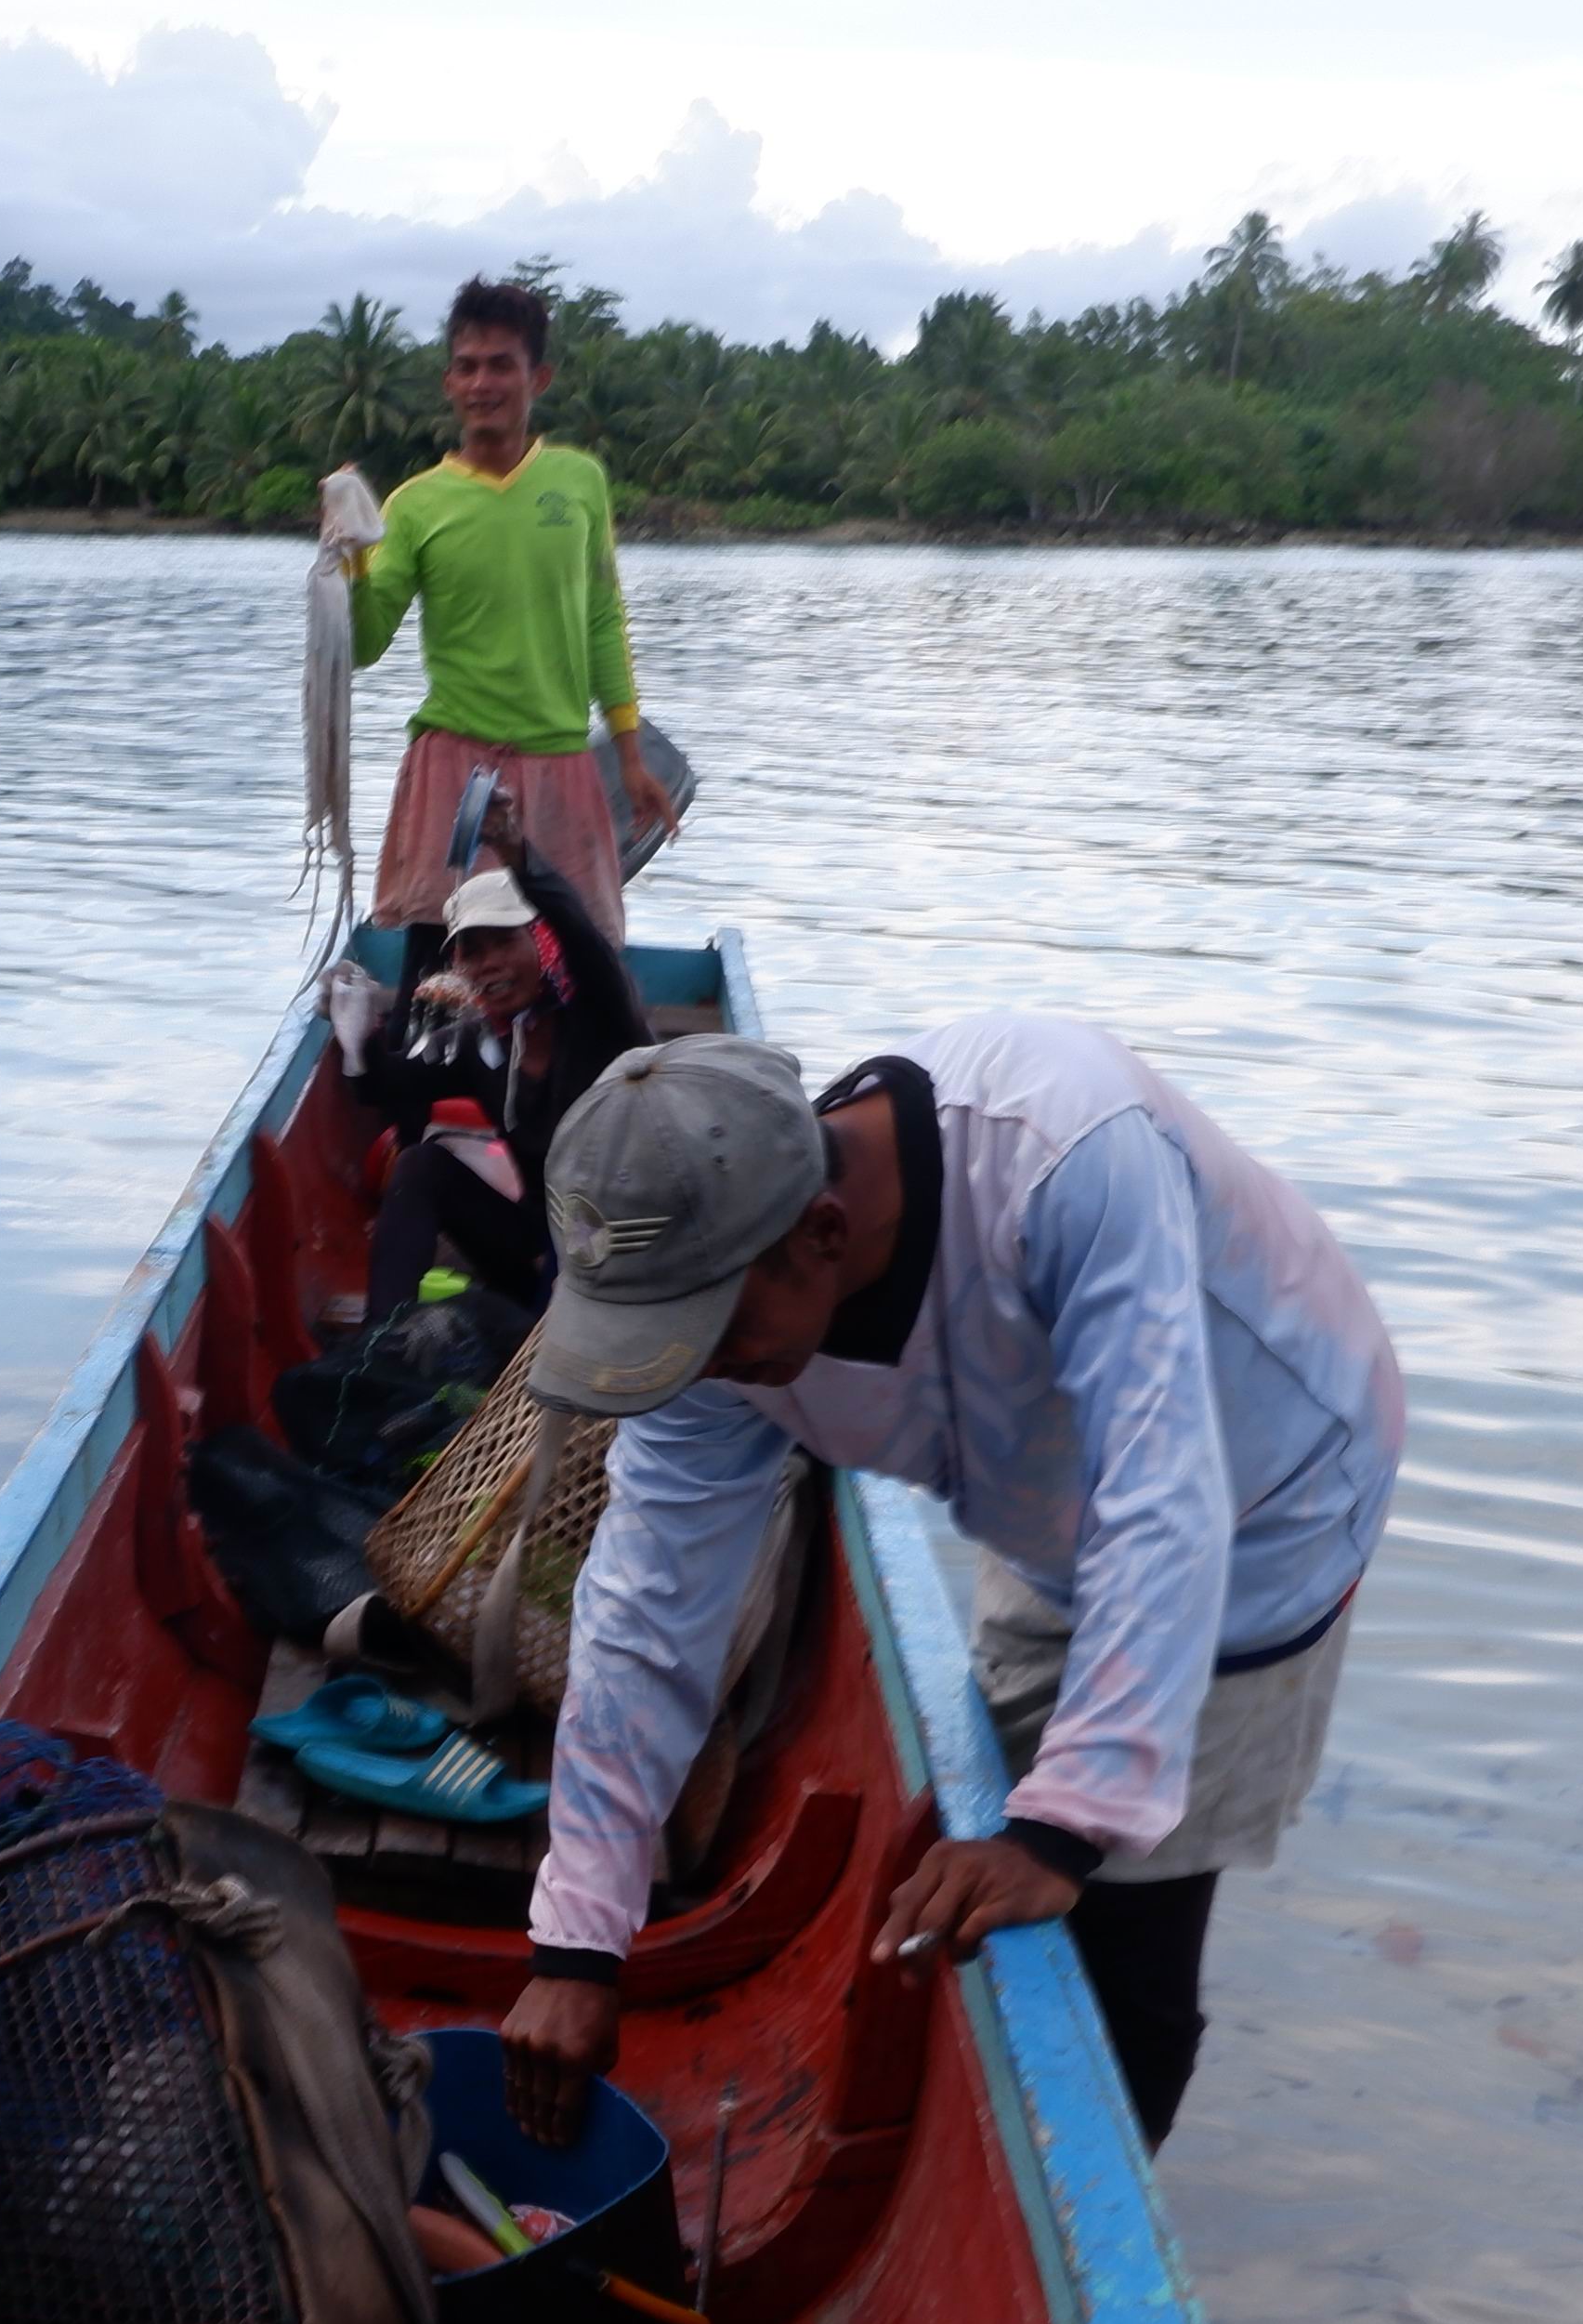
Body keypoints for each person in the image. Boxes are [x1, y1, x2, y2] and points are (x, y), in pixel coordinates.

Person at [490, 1021, 1405, 2153]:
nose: (693, 1368)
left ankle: (1104, 2210)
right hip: (1045, 1498)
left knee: (1132, 1920)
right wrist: (580, 1940)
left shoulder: (1064, 1155)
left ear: (820, 1232)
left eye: (708, 1337)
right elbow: (645, 1609)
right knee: (1016, 1811)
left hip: (1271, 1494)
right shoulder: (707, 1318)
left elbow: (1160, 1494)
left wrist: (1062, 1833)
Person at [342, 277, 678, 933]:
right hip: (454, 769)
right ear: (448, 383)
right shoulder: (415, 504)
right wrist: (350, 562)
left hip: (561, 758)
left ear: (538, 377)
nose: (482, 384)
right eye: (466, 367)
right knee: (437, 954)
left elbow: (603, 622)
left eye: (501, 365)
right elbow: (362, 645)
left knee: (577, 954)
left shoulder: (580, 481)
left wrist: (631, 759)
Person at [320, 810, 655, 1325]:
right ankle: (380, 1344)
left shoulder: (602, 1015)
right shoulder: (476, 1044)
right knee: (419, 1166)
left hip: (631, 1254)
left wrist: (515, 849)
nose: (489, 964)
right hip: (540, 1247)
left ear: (544, 944)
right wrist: (356, 1031)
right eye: (472, 953)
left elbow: (581, 936)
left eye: (505, 942)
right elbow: (381, 1085)